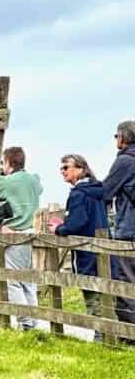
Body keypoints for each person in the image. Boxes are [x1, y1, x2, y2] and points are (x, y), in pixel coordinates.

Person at [49, 154, 108, 339]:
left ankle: (101, 338)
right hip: (104, 249)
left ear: (81, 169)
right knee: (107, 293)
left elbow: (77, 223)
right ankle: (111, 337)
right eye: (61, 168)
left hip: (86, 251)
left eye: (66, 167)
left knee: (92, 295)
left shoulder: (79, 193)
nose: (62, 171)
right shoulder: (98, 191)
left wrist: (60, 228)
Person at [0, 146, 43, 330]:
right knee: (27, 280)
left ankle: (25, 323)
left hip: (13, 231)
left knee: (12, 280)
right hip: (30, 231)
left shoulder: (7, 182)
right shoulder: (33, 181)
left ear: (8, 161)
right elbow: (39, 186)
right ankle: (33, 321)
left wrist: (1, 175)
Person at [102, 120, 135, 323]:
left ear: (122, 138)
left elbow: (106, 191)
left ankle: (129, 334)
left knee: (127, 283)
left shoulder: (125, 161)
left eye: (116, 136)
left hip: (129, 231)